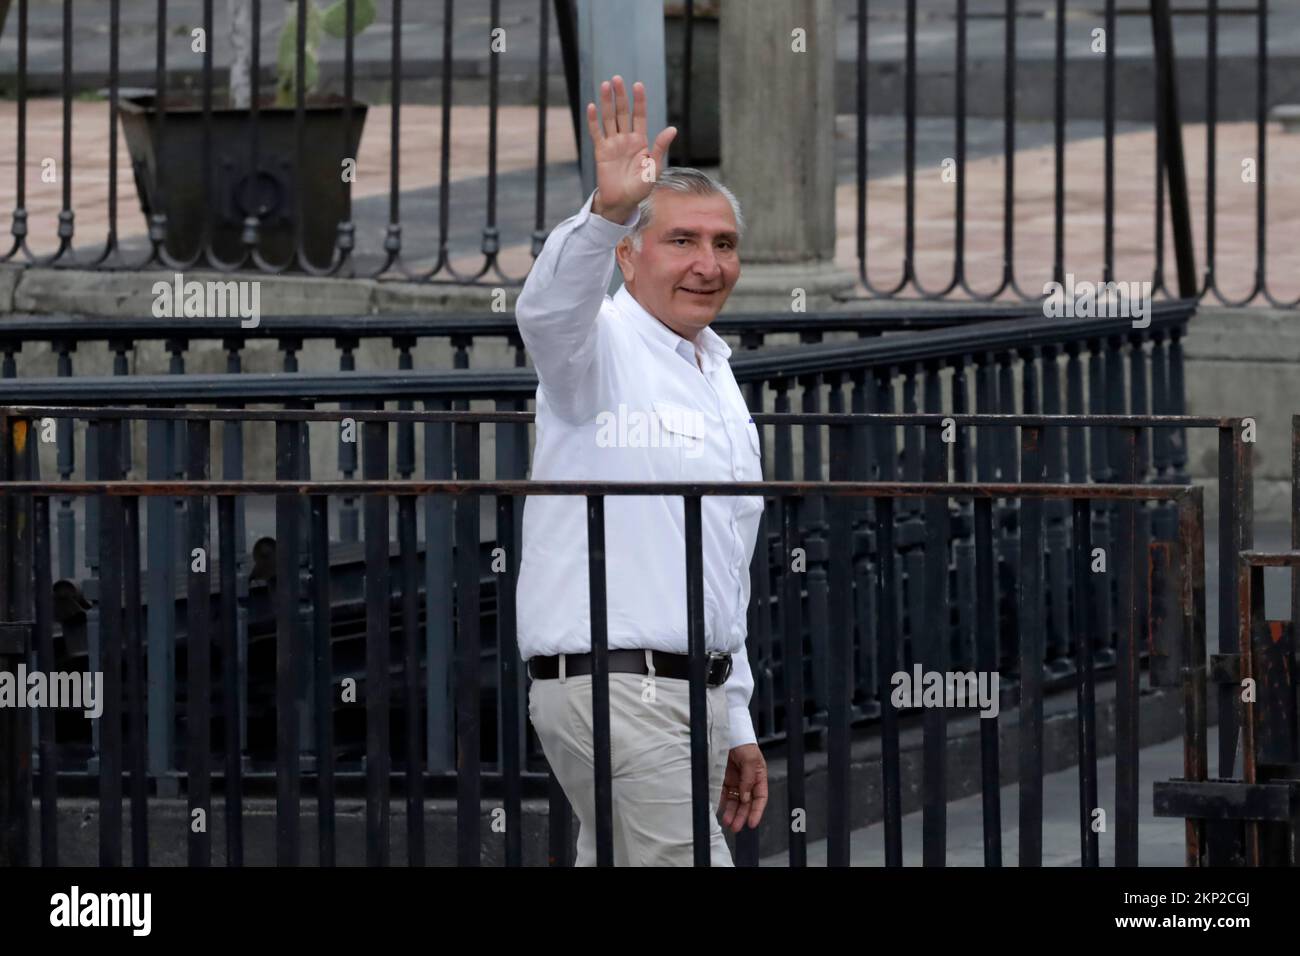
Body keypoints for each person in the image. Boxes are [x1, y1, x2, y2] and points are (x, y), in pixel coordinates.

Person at [514, 74, 768, 866]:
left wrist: (737, 720)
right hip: (620, 689)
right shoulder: (595, 346)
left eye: (722, 244)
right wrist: (607, 209)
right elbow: (546, 312)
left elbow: (724, 565)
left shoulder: (714, 371)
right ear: (627, 258)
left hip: (683, 692)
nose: (708, 264)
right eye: (682, 241)